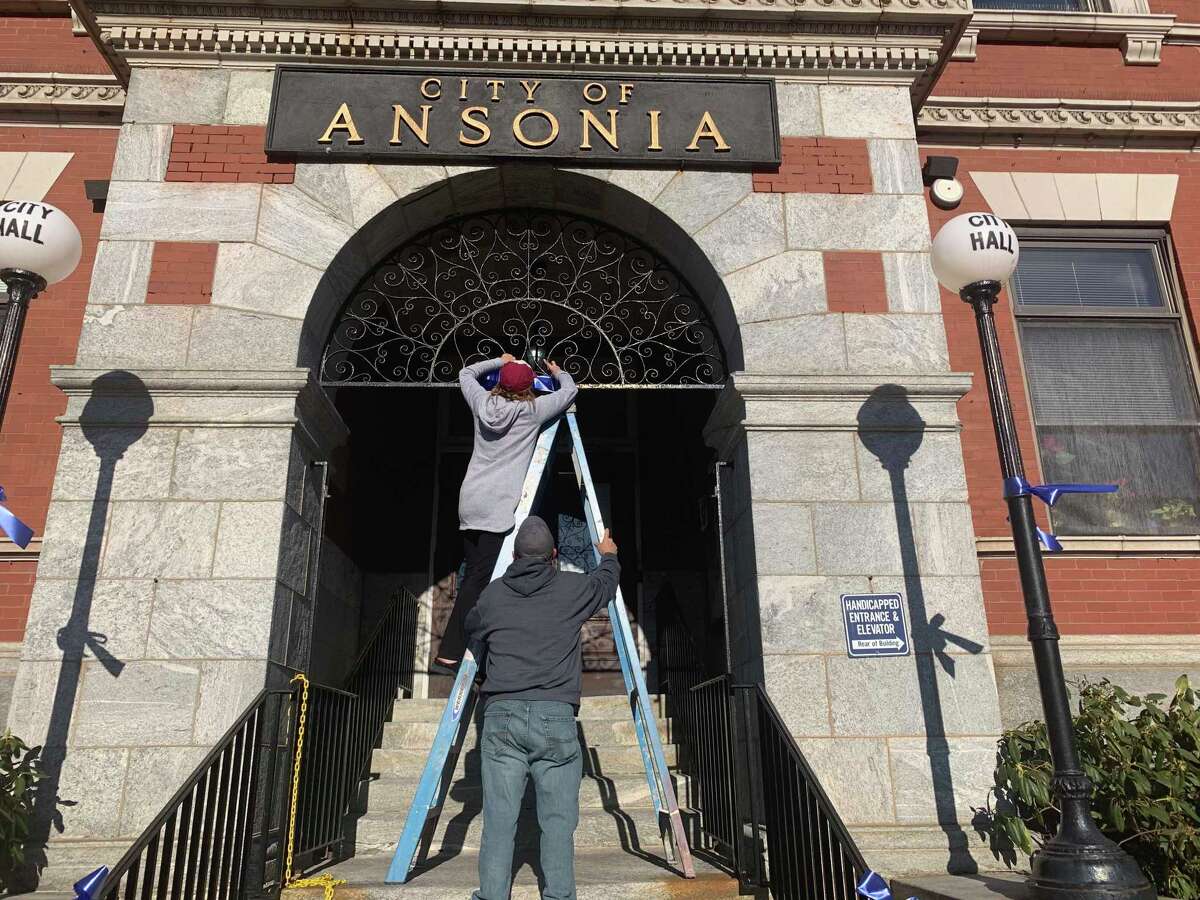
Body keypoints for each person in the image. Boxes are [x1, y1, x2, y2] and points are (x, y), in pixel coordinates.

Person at [464, 515, 621, 900]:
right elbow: (605, 584)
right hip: (556, 715)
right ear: (553, 555)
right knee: (558, 821)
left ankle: (492, 895)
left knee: (499, 820)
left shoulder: (494, 594)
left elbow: (472, 625)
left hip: (502, 715)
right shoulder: (572, 588)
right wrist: (609, 555)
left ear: (514, 555)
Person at [436, 353, 578, 670]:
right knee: (479, 579)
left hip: (470, 500)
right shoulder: (531, 412)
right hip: (498, 506)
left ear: (500, 383)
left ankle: (479, 650)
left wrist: (499, 361)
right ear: (529, 387)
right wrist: (557, 372)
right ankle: (453, 648)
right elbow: (569, 392)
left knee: (475, 571)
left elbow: (465, 373)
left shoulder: (482, 404)